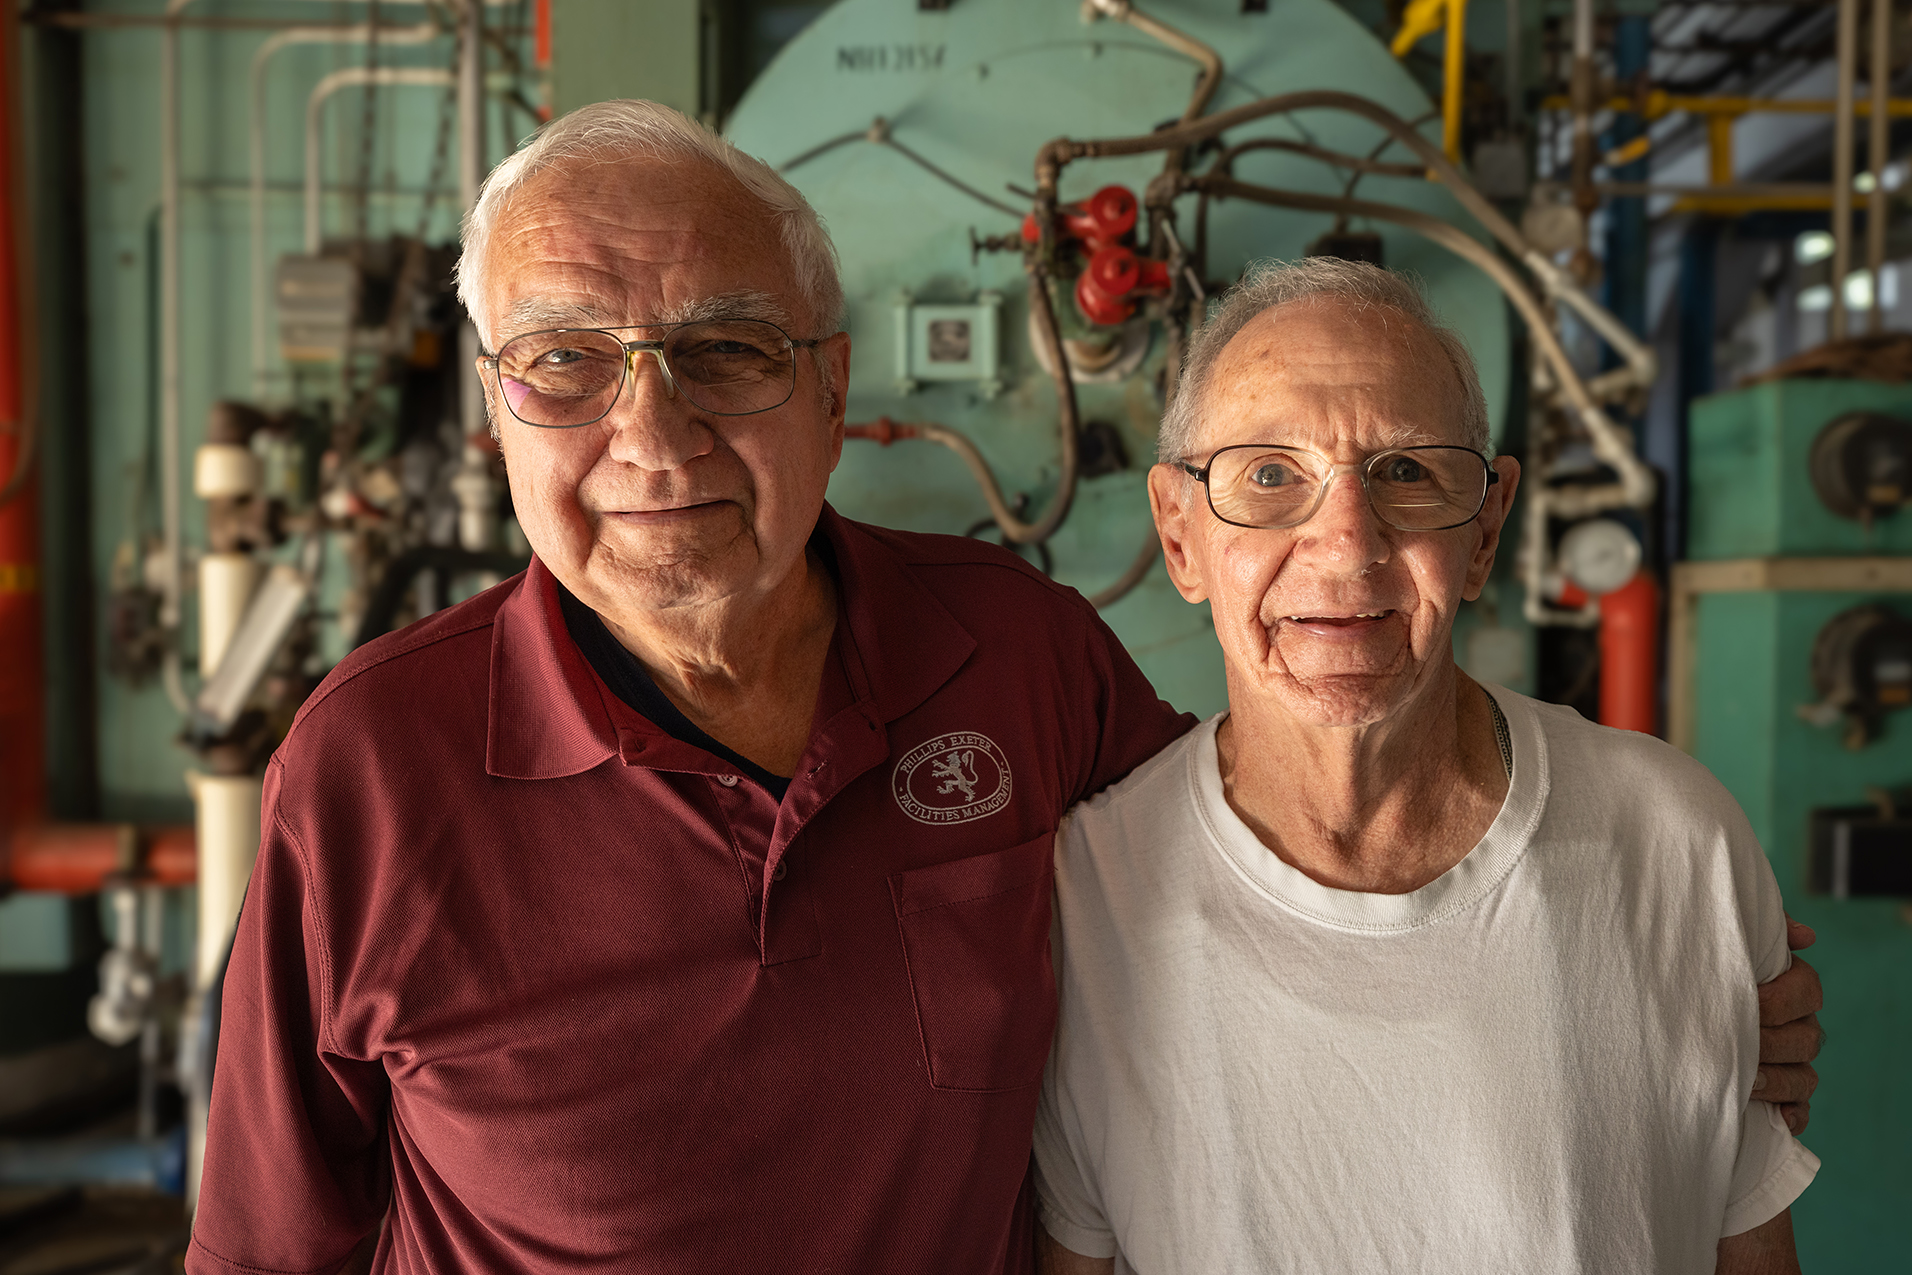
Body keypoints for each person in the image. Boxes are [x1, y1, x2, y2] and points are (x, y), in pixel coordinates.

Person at [187, 103, 1822, 1274]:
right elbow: (270, 1245)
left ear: (832, 387)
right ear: (492, 409)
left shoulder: (1014, 655)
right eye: (565, 361)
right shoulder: (370, 771)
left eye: (728, 353)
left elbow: (1290, 834)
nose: (653, 432)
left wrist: (1672, 981)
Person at [1032, 258, 1819, 1275]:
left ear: (1485, 529)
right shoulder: (1089, 896)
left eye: (1407, 472)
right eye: (1269, 475)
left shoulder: (1673, 838)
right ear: (1180, 537)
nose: (1346, 544)